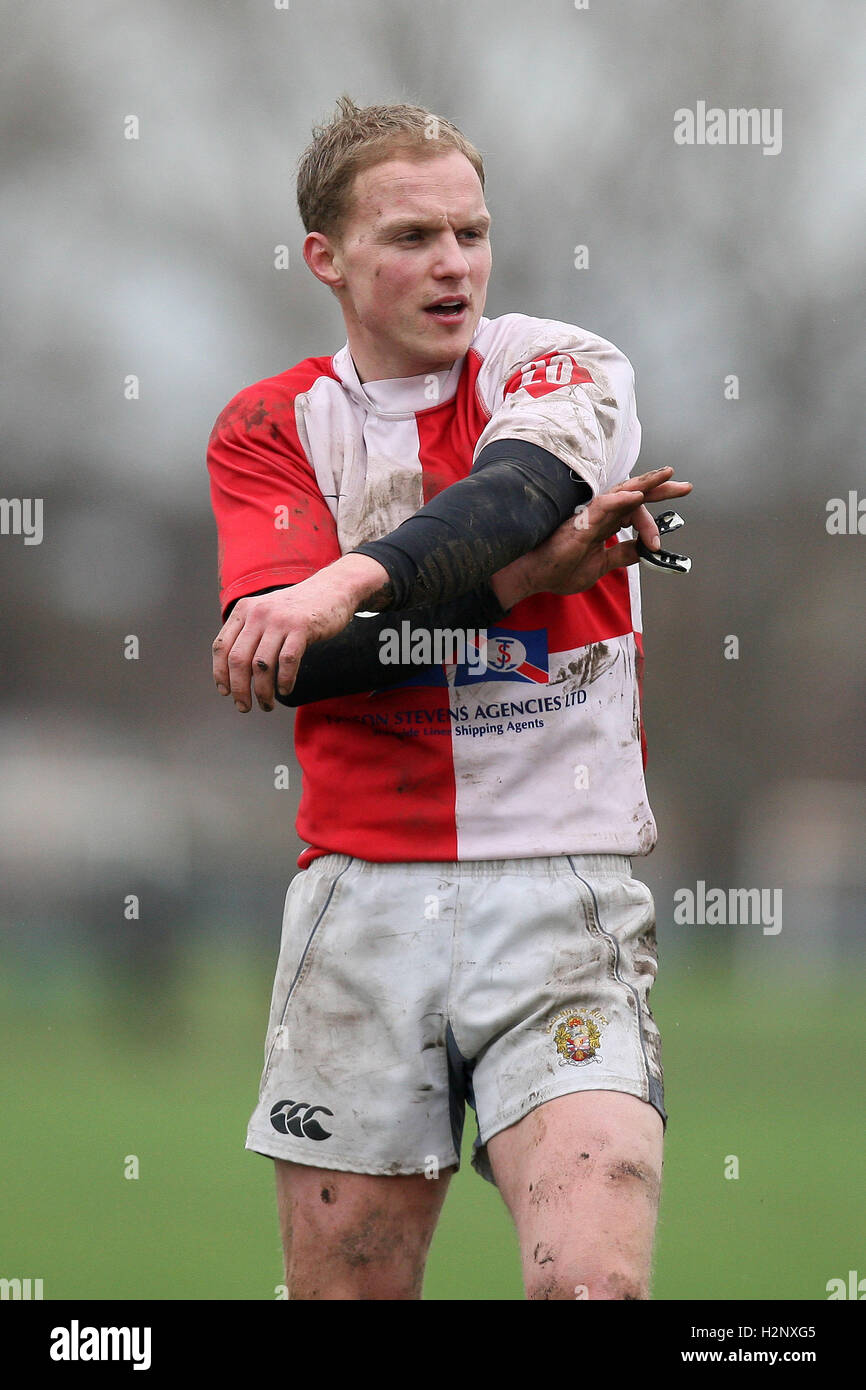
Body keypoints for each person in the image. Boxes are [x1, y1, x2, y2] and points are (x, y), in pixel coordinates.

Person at [207, 96, 691, 1301]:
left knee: (594, 1284)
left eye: (470, 234)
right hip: (359, 902)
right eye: (411, 237)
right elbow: (291, 664)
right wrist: (517, 590)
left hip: (563, 887)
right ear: (326, 257)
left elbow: (513, 495)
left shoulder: (558, 363)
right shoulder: (268, 425)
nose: (452, 266)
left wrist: (345, 583)